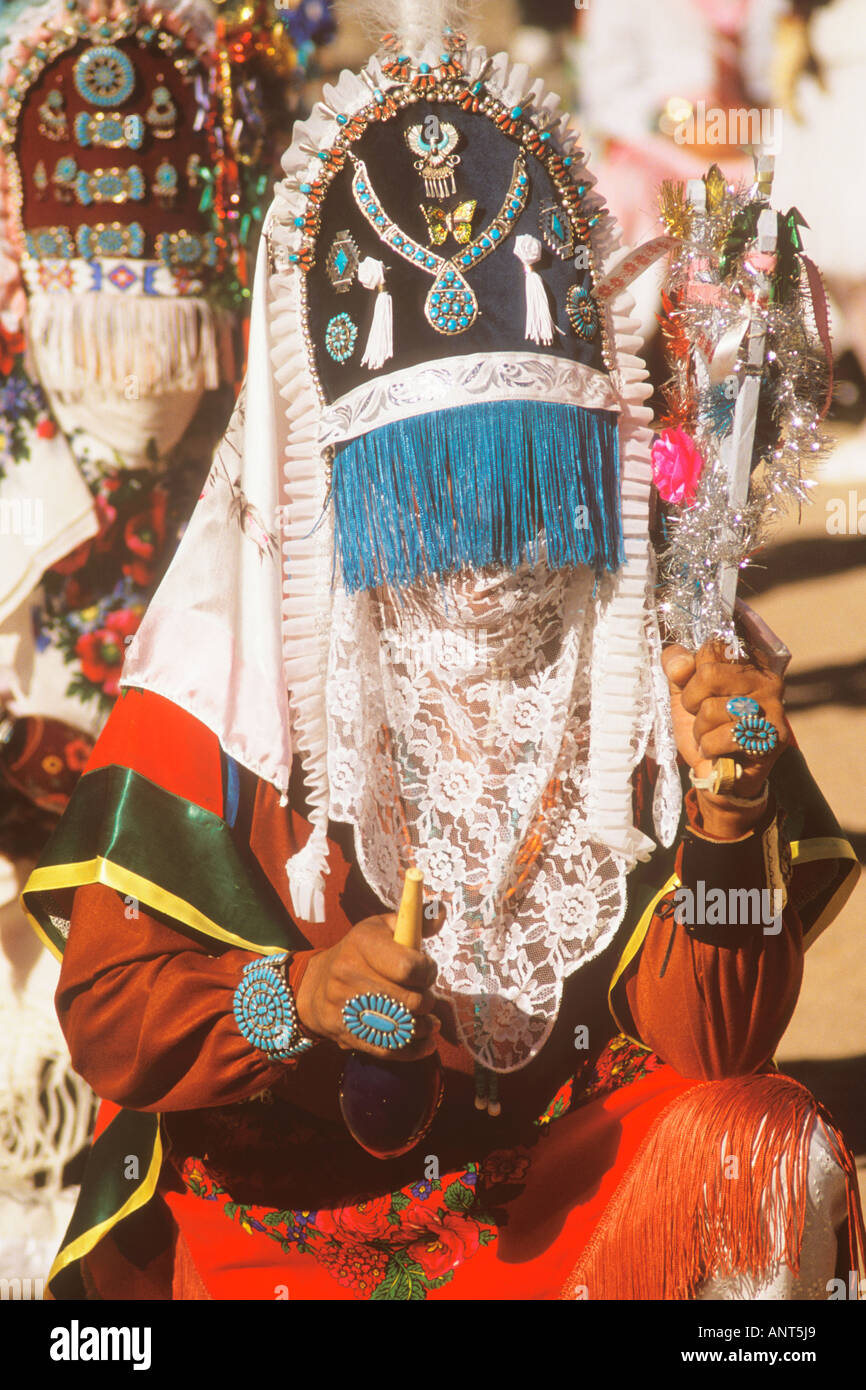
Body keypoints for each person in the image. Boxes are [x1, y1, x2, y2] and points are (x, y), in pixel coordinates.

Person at [23, 4, 864, 1300]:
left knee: (764, 1156)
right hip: (288, 1241)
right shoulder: (237, 686)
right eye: (424, 505)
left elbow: (722, 1038)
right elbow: (112, 1018)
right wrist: (294, 994)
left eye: (526, 495)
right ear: (321, 497)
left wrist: (724, 822)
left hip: (549, 1200)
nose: (483, 563)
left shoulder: (643, 666)